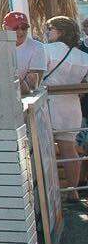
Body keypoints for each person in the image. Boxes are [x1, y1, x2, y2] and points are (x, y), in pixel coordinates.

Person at [40, 15, 88, 191]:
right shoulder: (83, 57)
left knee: (46, 152)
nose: (47, 32)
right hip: (72, 105)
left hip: (49, 105)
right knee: (69, 149)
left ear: (60, 31)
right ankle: (73, 191)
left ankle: (51, 193)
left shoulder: (46, 50)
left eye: (49, 29)